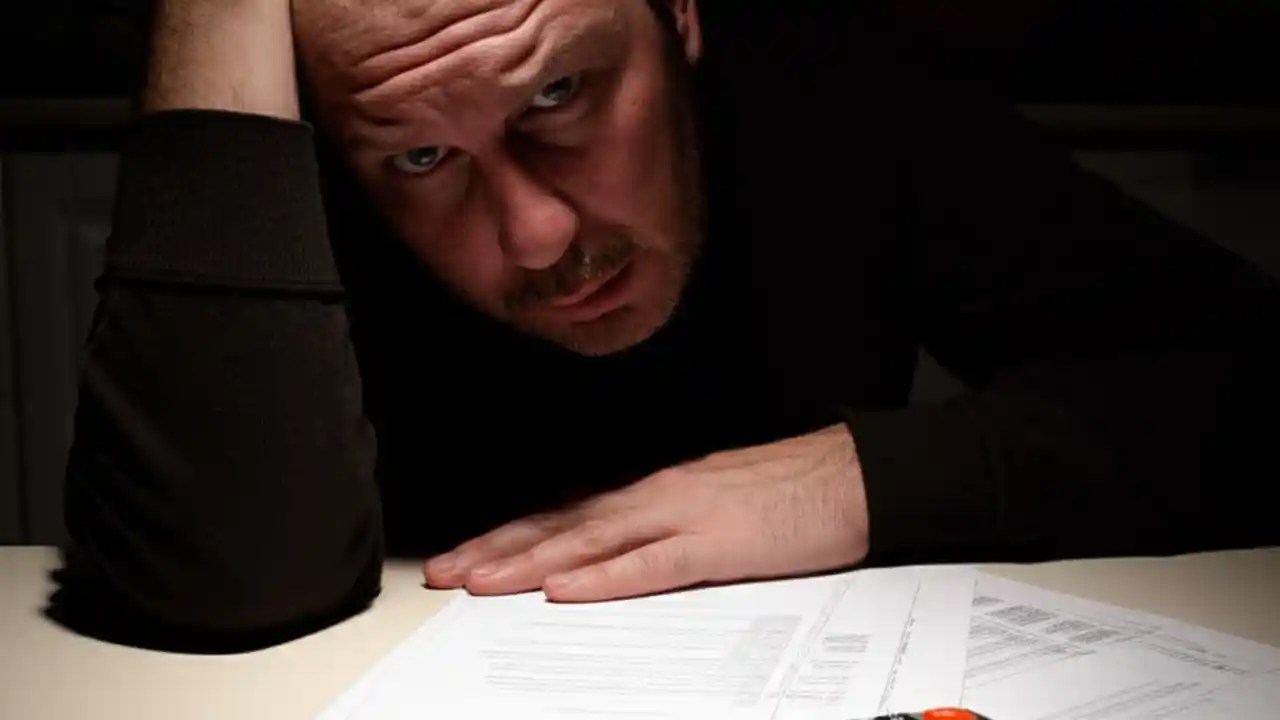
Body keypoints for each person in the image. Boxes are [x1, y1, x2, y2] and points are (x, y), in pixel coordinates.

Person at [55, 0, 1280, 650]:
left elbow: (1249, 379)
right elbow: (216, 582)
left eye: (559, 93)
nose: (535, 234)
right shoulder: (300, 163)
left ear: (680, 12)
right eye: (421, 154)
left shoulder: (829, 93)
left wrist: (855, 483)